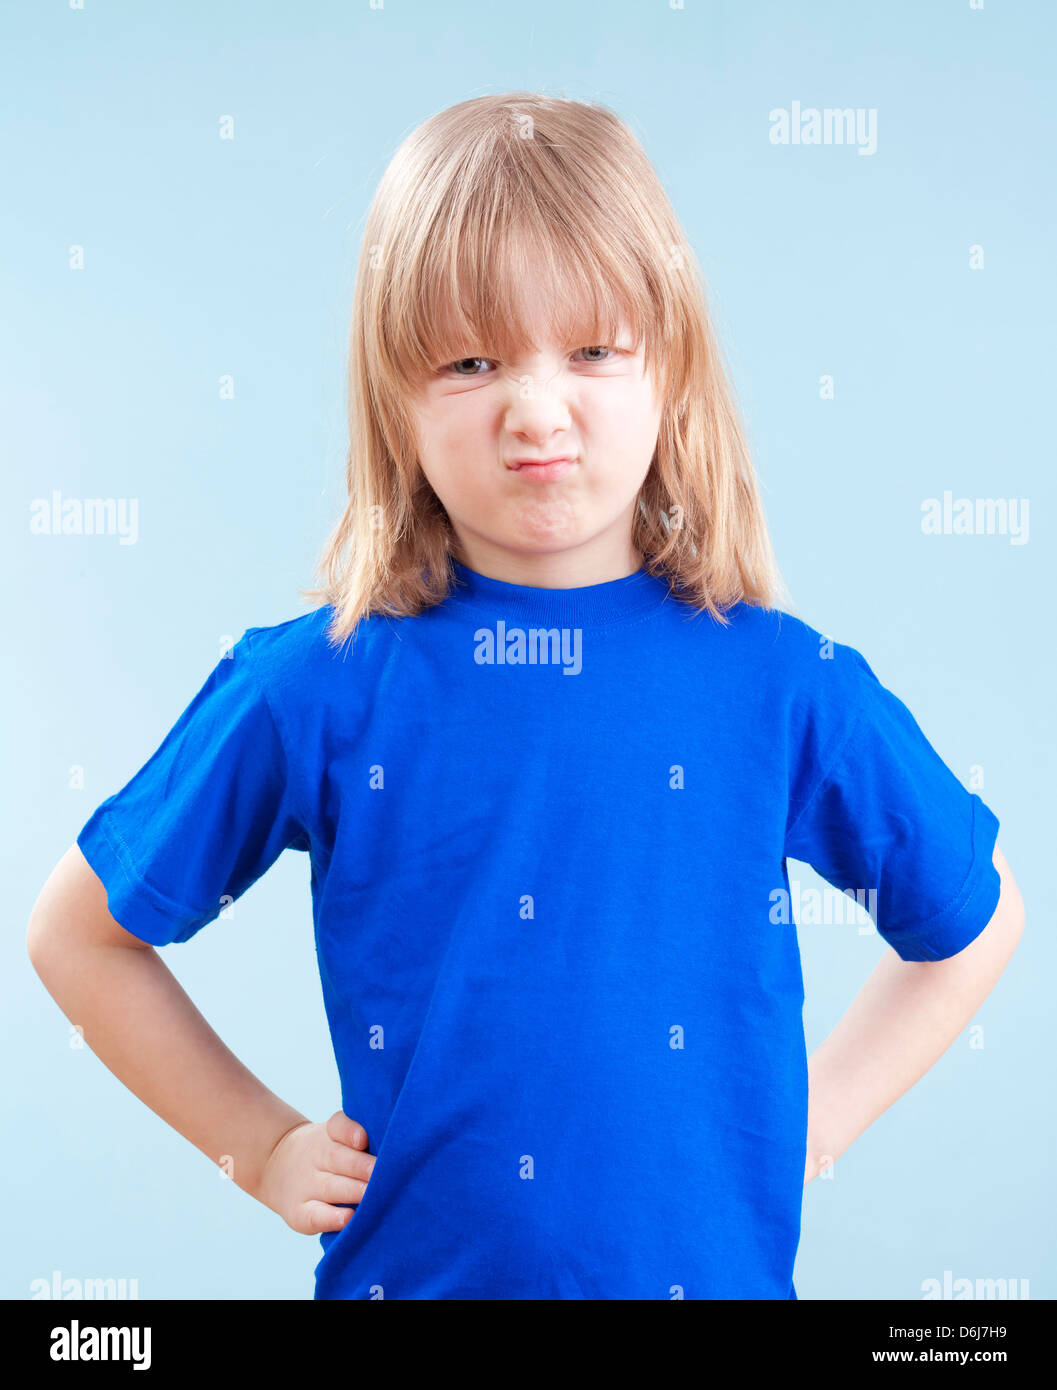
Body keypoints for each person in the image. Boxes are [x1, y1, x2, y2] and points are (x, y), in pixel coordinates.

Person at [26, 92, 1025, 1301]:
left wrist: (812, 1120)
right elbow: (78, 934)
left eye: (595, 350)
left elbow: (976, 917)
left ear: (673, 368)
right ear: (396, 397)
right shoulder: (315, 683)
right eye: (470, 360)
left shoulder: (782, 683)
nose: (537, 411)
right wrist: (262, 1146)